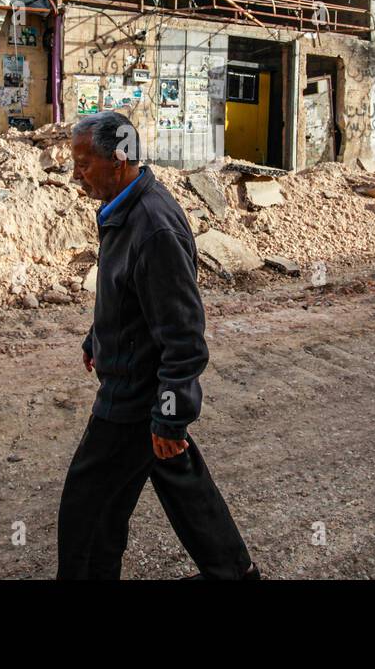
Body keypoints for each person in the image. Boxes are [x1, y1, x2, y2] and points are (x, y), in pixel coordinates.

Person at [56, 111, 259, 580]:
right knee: (178, 477)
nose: (75, 176)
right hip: (136, 379)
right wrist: (98, 336)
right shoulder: (124, 208)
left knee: (88, 510)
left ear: (119, 159)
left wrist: (170, 415)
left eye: (84, 164)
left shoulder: (154, 227)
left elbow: (183, 335)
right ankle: (234, 574)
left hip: (136, 395)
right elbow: (130, 298)